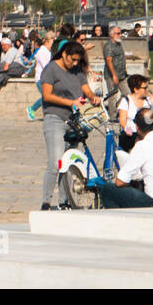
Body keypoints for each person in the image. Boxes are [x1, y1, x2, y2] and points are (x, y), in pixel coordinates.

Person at [38, 40, 100, 210]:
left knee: (70, 161)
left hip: (73, 120)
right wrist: (69, 102)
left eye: (77, 61)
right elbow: (47, 96)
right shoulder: (51, 69)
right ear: (64, 54)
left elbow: (86, 89)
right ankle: (46, 201)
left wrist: (92, 97)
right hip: (55, 118)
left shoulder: (77, 70)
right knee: (56, 161)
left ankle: (64, 201)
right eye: (72, 59)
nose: (74, 63)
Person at [115, 75, 153, 153]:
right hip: (131, 135)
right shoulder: (126, 101)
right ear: (135, 89)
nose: (147, 90)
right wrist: (127, 129)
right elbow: (122, 120)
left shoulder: (148, 101)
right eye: (144, 88)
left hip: (145, 135)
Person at [25, 30, 54, 121]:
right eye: (53, 41)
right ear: (48, 41)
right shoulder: (41, 51)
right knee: (46, 96)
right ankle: (32, 108)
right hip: (41, 78)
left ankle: (47, 114)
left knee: (47, 97)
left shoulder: (48, 52)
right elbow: (46, 66)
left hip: (47, 79)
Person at [102, 26, 129, 109]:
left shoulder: (118, 44)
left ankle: (118, 107)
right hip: (112, 75)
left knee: (127, 94)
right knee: (113, 95)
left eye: (120, 33)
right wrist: (114, 75)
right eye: (118, 33)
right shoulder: (109, 46)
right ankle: (112, 116)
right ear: (111, 34)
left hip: (122, 74)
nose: (120, 35)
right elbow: (108, 60)